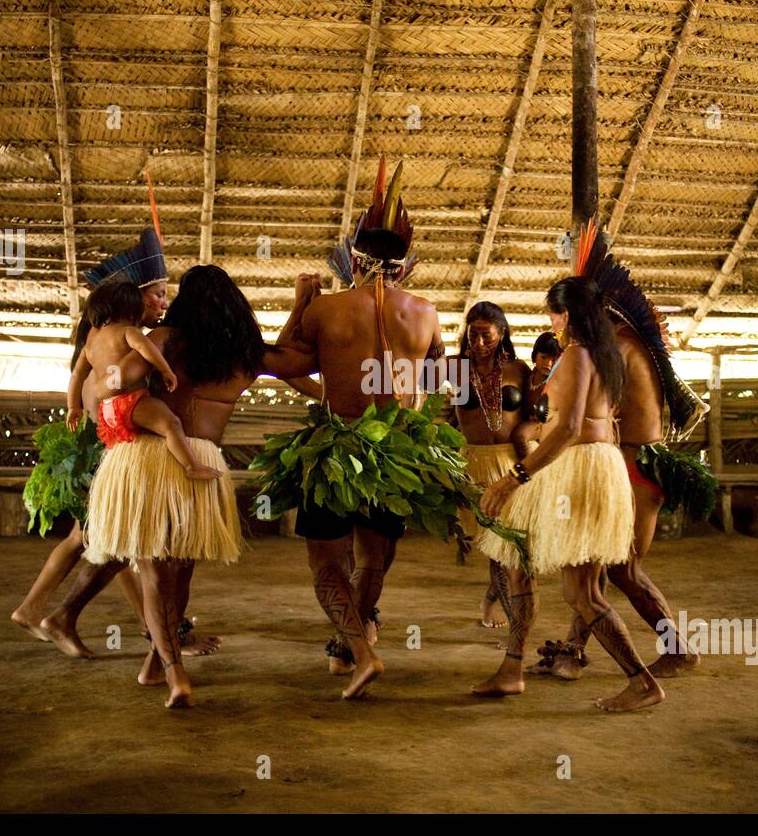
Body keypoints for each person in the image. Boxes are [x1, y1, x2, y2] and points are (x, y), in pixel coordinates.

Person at [79, 264, 317, 708]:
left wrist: (98, 380)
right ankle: (158, 663)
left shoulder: (167, 338)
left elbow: (120, 378)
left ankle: (174, 673)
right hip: (202, 461)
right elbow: (297, 358)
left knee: (153, 572)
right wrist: (304, 304)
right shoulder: (247, 354)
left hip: (149, 456)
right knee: (180, 568)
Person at [268, 158, 444, 701]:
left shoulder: (328, 309)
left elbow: (279, 363)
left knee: (326, 562)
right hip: (397, 447)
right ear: (404, 263)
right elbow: (439, 374)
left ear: (354, 257)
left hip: (338, 444)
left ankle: (359, 651)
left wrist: (300, 304)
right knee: (373, 557)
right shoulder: (426, 312)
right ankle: (353, 643)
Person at [475, 230, 666, 712]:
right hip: (590, 467)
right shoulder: (601, 353)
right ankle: (512, 667)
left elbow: (571, 426)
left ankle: (642, 682)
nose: (551, 323)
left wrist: (515, 477)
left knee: (578, 590)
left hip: (579, 467)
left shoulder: (580, 355)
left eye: (554, 314)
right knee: (555, 576)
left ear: (569, 314)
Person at [532, 226, 711, 681]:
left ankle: (676, 649)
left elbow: (588, 419)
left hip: (633, 465)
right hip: (633, 462)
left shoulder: (615, 349)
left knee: (621, 567)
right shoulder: (625, 346)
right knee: (598, 564)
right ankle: (574, 650)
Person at [9, 231, 171, 646]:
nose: (164, 303)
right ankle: (43, 611)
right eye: (158, 295)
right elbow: (115, 391)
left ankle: (151, 628)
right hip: (105, 449)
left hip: (100, 445)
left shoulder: (96, 343)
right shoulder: (126, 345)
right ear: (134, 301)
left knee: (109, 542)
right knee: (101, 540)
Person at [68, 280, 219, 481]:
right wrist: (165, 370)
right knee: (171, 424)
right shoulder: (127, 331)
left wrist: (73, 407)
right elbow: (146, 348)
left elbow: (77, 375)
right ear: (132, 308)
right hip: (130, 402)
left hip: (107, 412)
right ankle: (192, 466)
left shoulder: (91, 343)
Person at [450, 301, 533, 629]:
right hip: (474, 462)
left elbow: (537, 416)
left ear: (503, 334)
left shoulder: (519, 370)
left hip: (511, 464)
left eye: (487, 336)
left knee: (511, 545)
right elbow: (409, 381)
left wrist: (529, 437)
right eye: (473, 336)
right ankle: (514, 625)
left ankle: (495, 604)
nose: (479, 343)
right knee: (495, 545)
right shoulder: (453, 367)